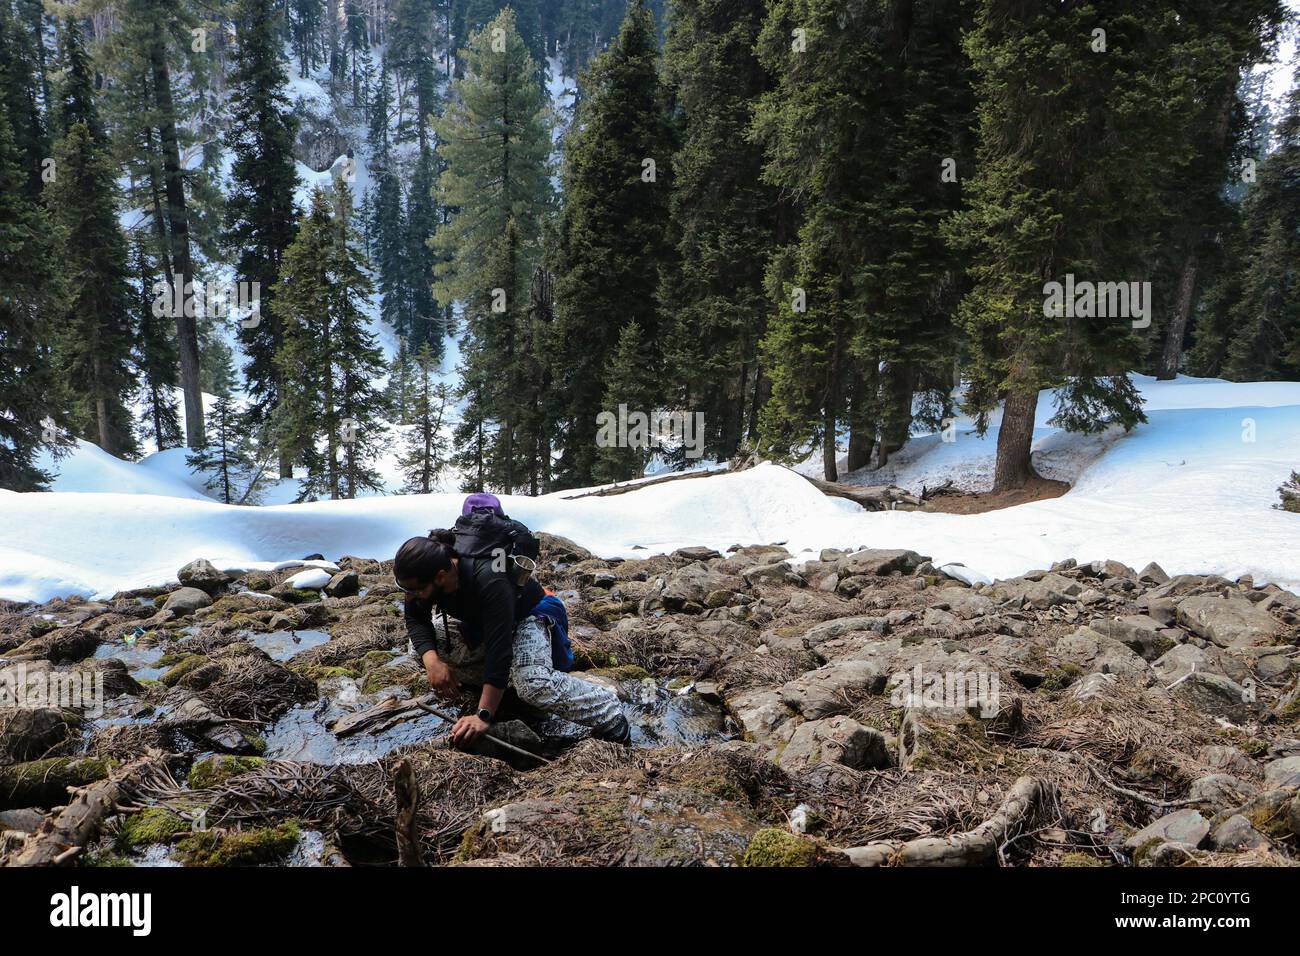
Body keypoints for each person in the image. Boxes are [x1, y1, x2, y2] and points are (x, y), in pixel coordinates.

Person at [393, 506, 630, 748]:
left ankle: (607, 708)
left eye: (415, 590)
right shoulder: (421, 579)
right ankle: (502, 689)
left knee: (532, 685)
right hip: (483, 623)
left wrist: (483, 715)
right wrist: (432, 662)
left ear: (441, 576)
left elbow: (500, 648)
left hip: (529, 615)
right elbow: (415, 619)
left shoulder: (488, 577)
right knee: (420, 649)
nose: (412, 596)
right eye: (406, 590)